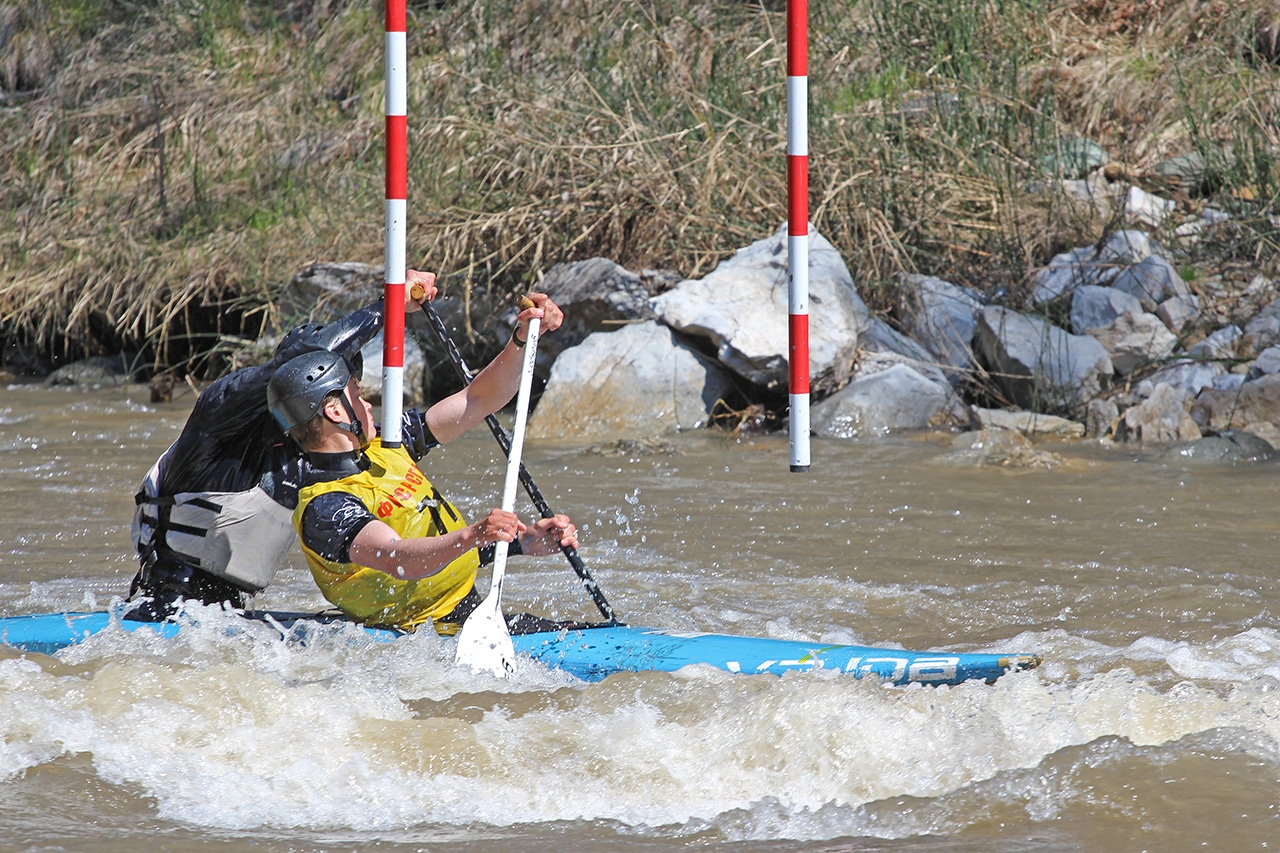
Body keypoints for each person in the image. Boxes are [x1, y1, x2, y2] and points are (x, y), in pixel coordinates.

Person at [126, 270, 439, 621]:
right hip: (168, 604)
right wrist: (391, 304)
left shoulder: (315, 446)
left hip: (228, 616)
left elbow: (427, 427)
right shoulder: (221, 412)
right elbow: (297, 362)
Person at [266, 291, 579, 634]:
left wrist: (523, 339)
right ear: (335, 410)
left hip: (464, 611)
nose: (368, 404)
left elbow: (477, 399)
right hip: (421, 635)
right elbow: (397, 558)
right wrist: (473, 535)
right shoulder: (326, 507)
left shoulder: (387, 443)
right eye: (358, 394)